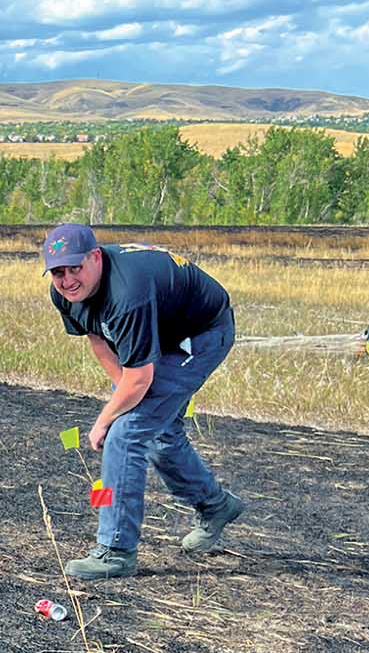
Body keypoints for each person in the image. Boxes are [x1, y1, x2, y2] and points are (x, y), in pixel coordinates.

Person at [43, 223, 246, 580]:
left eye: (75, 268)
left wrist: (108, 416)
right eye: (58, 271)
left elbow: (141, 378)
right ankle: (216, 506)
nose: (67, 279)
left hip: (201, 333)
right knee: (156, 431)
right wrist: (127, 395)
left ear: (95, 257)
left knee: (125, 434)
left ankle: (116, 551)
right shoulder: (66, 294)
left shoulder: (127, 294)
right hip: (161, 328)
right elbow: (98, 338)